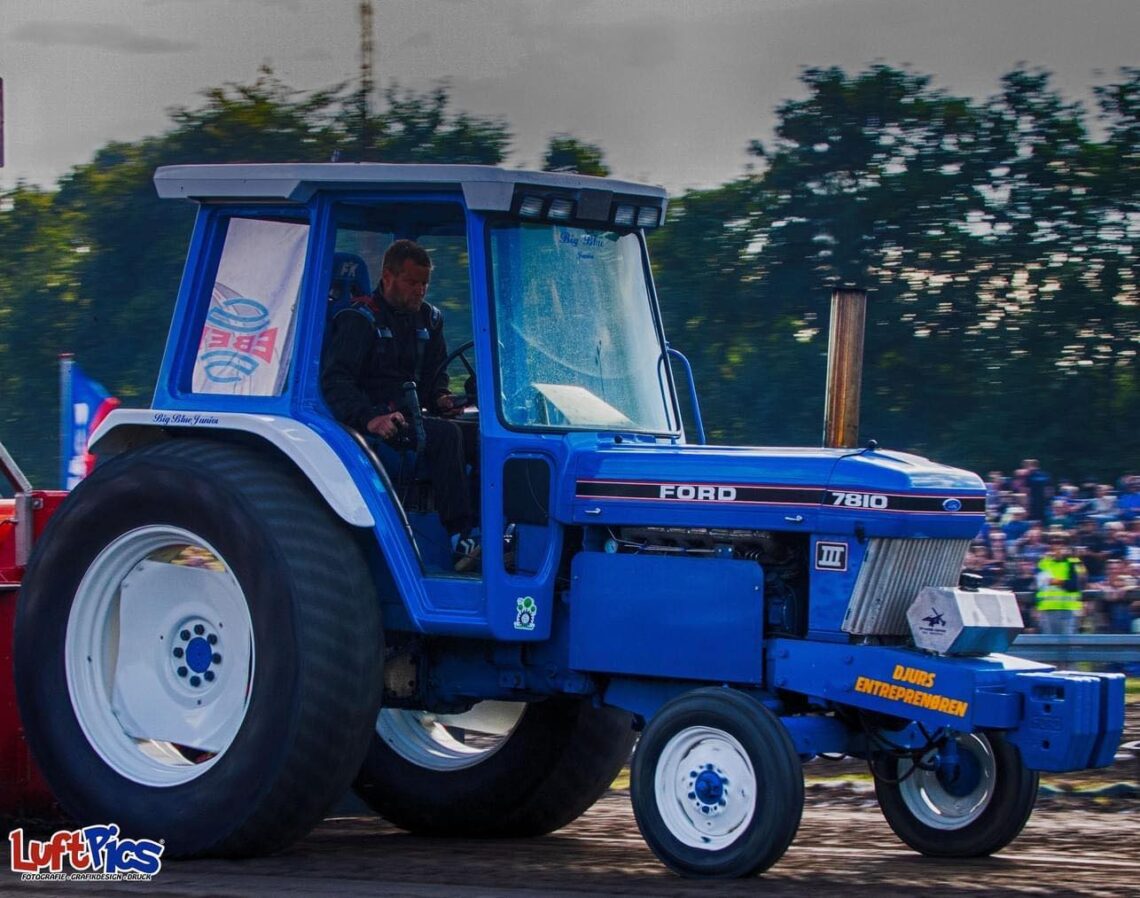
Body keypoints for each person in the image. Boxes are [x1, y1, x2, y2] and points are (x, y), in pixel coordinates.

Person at [321, 239, 480, 572]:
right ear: (388, 277)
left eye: (424, 283)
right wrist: (370, 418)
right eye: (412, 282)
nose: (420, 290)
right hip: (377, 424)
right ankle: (460, 536)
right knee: (446, 436)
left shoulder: (430, 321)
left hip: (416, 417)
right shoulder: (359, 319)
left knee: (482, 434)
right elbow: (336, 383)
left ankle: (489, 528)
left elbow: (435, 375)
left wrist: (440, 397)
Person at [1035, 533, 1086, 635]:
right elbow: (1039, 585)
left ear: (1066, 546)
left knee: (1068, 645)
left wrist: (1056, 581)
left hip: (1068, 610)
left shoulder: (1074, 562)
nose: (1056, 547)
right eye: (1053, 544)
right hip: (1048, 609)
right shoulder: (1043, 563)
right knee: (1049, 644)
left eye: (1060, 544)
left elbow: (1074, 585)